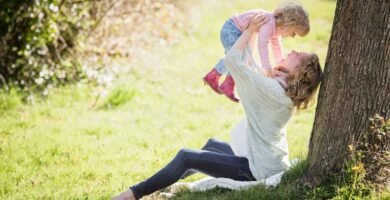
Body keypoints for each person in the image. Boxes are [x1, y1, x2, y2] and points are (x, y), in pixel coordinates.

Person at [113, 14, 322, 200]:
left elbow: (233, 60)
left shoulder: (273, 91)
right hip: (264, 159)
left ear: (298, 71)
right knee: (210, 145)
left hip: (257, 170)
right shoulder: (279, 88)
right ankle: (160, 186)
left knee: (186, 156)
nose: (293, 50)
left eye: (298, 54)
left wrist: (249, 31)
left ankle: (133, 194)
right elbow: (254, 70)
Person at [203, 2, 310, 102]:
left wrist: (280, 62)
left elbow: (276, 46)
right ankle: (214, 75)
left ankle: (228, 84)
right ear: (289, 23)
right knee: (236, 58)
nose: (292, 37)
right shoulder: (269, 22)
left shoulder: (276, 28)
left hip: (237, 32)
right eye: (294, 33)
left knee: (240, 59)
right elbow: (262, 45)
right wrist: (267, 67)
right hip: (231, 30)